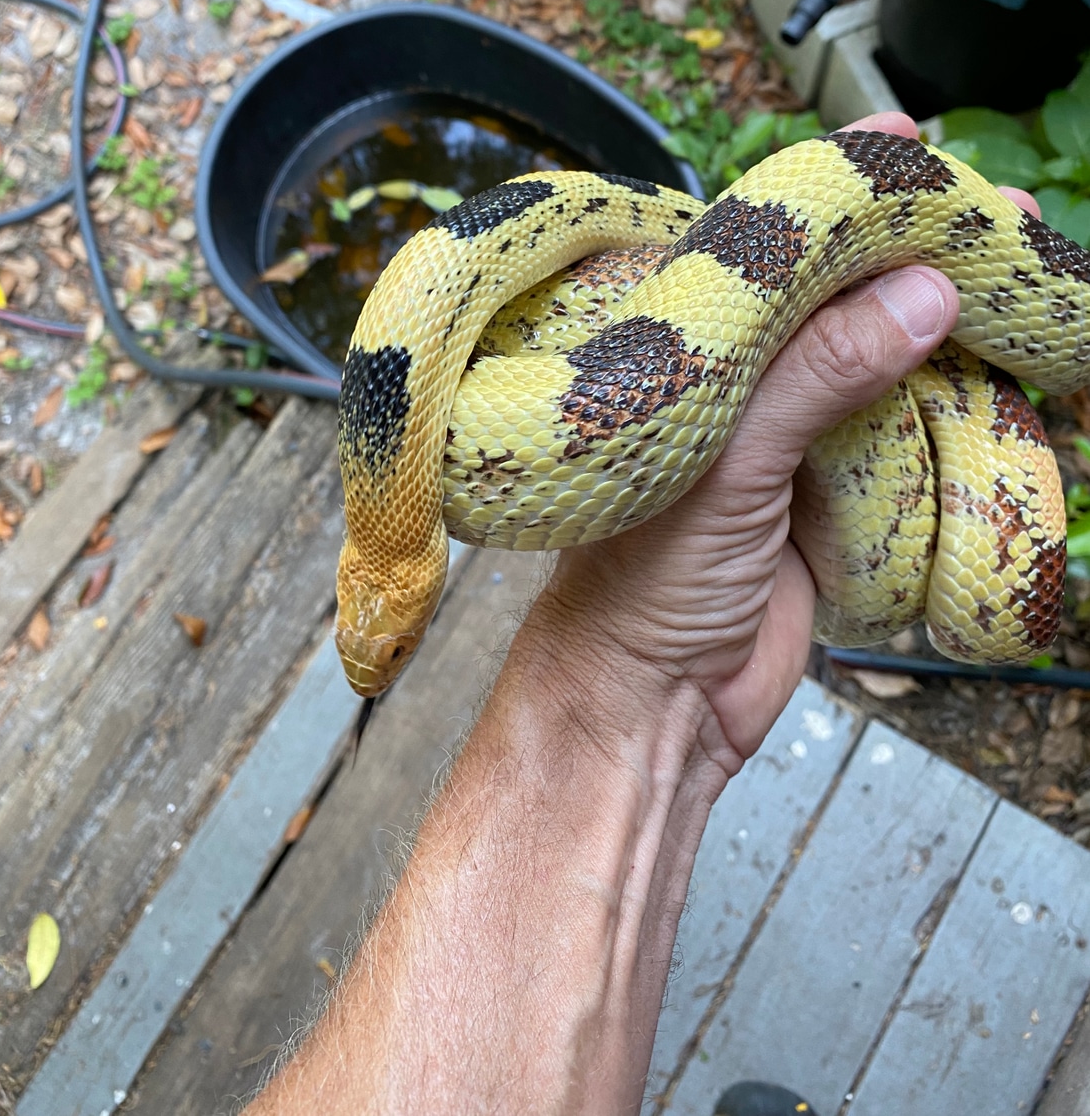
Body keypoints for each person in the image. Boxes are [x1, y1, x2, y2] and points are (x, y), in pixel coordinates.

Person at [246, 113, 1038, 1116]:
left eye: (396, 644)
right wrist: (645, 674)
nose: (383, 664)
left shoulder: (413, 378)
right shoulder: (406, 467)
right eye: (392, 645)